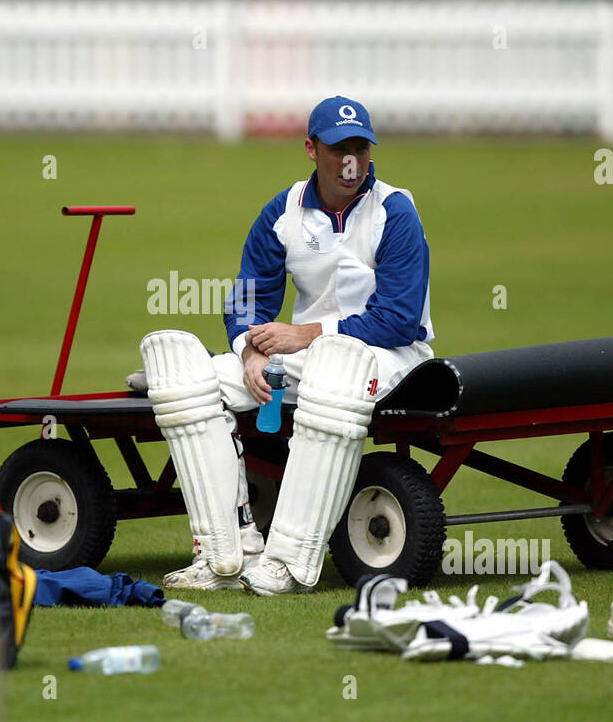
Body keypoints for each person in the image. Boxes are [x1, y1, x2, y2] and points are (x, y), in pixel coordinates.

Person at [139, 96, 433, 595]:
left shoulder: (394, 212)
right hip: (308, 356)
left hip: (395, 358)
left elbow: (400, 319)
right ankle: (224, 554)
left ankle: (289, 560)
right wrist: (250, 352)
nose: (350, 163)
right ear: (311, 149)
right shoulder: (284, 211)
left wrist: (306, 335)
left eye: (360, 149)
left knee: (331, 376)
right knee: (185, 379)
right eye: (339, 149)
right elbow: (247, 300)